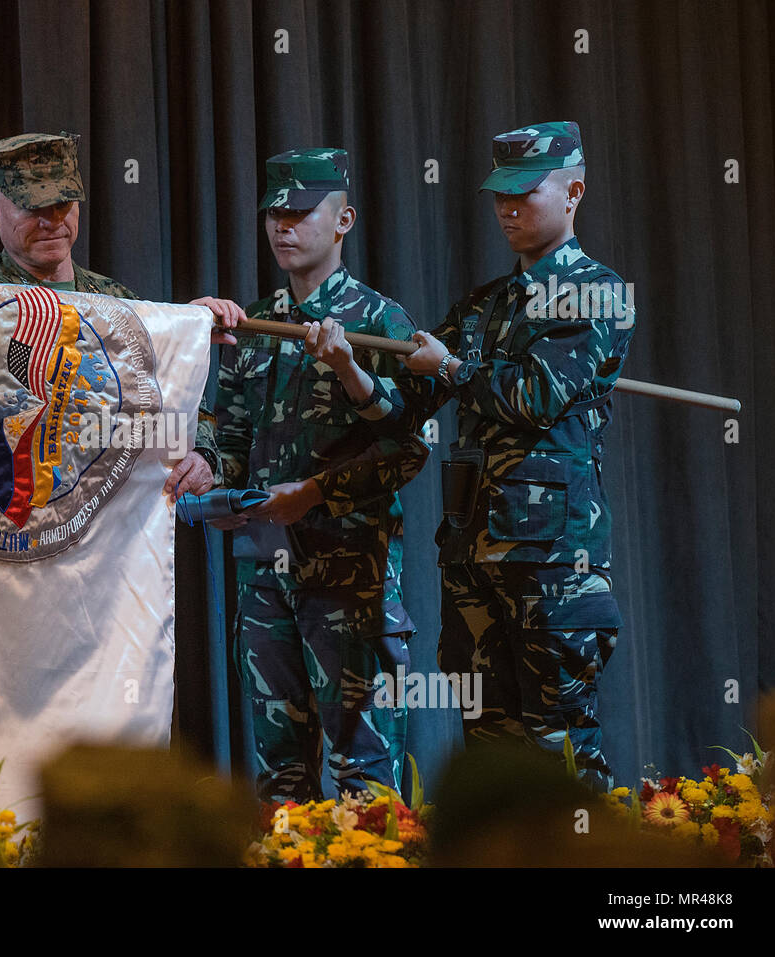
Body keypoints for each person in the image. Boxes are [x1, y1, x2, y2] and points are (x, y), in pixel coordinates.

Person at [309, 122, 634, 791]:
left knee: (562, 748)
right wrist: (349, 370)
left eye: (526, 192)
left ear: (573, 191)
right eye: (499, 195)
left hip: (553, 562)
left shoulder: (597, 292)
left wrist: (453, 366)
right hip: (471, 552)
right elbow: (405, 407)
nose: (508, 209)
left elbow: (534, 395)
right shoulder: (484, 305)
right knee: (489, 756)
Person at [213, 148, 429, 801]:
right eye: (276, 212)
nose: (284, 225)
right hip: (266, 576)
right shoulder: (254, 320)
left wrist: (312, 494)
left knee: (364, 773)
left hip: (350, 580)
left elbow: (404, 447)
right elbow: (231, 436)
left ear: (343, 221)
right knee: (281, 777)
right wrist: (212, 482)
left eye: (302, 212)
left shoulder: (379, 321)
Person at [0, 131, 243, 496]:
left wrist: (200, 453)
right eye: (32, 207)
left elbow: (174, 393)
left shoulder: (116, 300)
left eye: (63, 203)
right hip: (5, 520)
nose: (52, 220)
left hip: (102, 533)